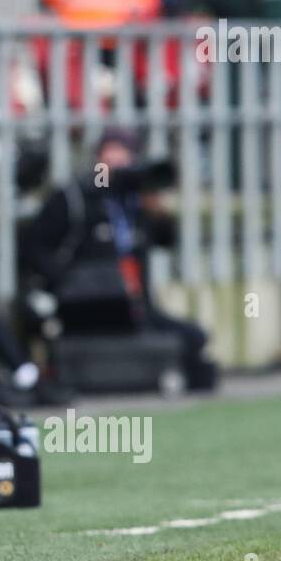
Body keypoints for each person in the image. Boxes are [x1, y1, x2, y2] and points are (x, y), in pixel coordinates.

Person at [23, 128, 216, 394]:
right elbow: (34, 247)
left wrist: (157, 209)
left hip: (134, 301)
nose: (116, 164)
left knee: (195, 339)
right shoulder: (74, 197)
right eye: (109, 155)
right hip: (87, 305)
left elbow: (166, 241)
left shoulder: (134, 201)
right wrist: (69, 282)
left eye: (123, 155)